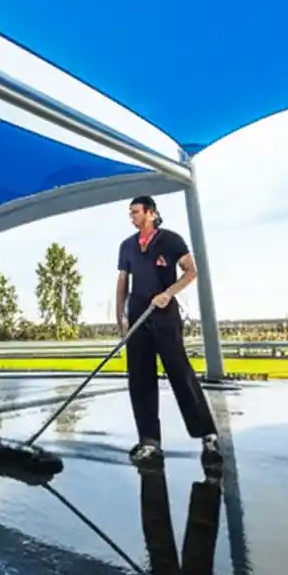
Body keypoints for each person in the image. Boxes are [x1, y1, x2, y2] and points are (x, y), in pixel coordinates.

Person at [116, 195, 221, 466]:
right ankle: (149, 442)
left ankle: (208, 435)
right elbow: (122, 283)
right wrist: (121, 319)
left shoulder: (171, 240)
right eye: (130, 213)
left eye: (136, 212)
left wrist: (168, 293)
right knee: (140, 379)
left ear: (151, 212)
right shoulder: (127, 246)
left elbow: (191, 271)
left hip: (164, 315)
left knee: (180, 371)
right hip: (138, 316)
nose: (132, 217)